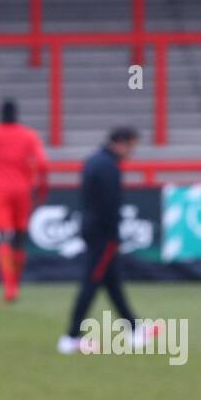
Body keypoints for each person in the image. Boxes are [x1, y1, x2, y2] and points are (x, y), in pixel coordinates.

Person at [59, 127, 142, 355]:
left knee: (112, 282)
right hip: (103, 235)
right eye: (131, 146)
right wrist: (114, 236)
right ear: (121, 143)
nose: (131, 152)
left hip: (93, 230)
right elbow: (109, 205)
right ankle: (71, 336)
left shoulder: (94, 161)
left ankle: (134, 327)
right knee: (92, 282)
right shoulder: (109, 167)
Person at [0, 98, 48, 304]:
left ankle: (9, 288)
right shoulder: (28, 135)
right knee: (19, 238)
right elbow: (42, 163)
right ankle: (15, 283)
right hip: (23, 190)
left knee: (3, 237)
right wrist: (42, 191)